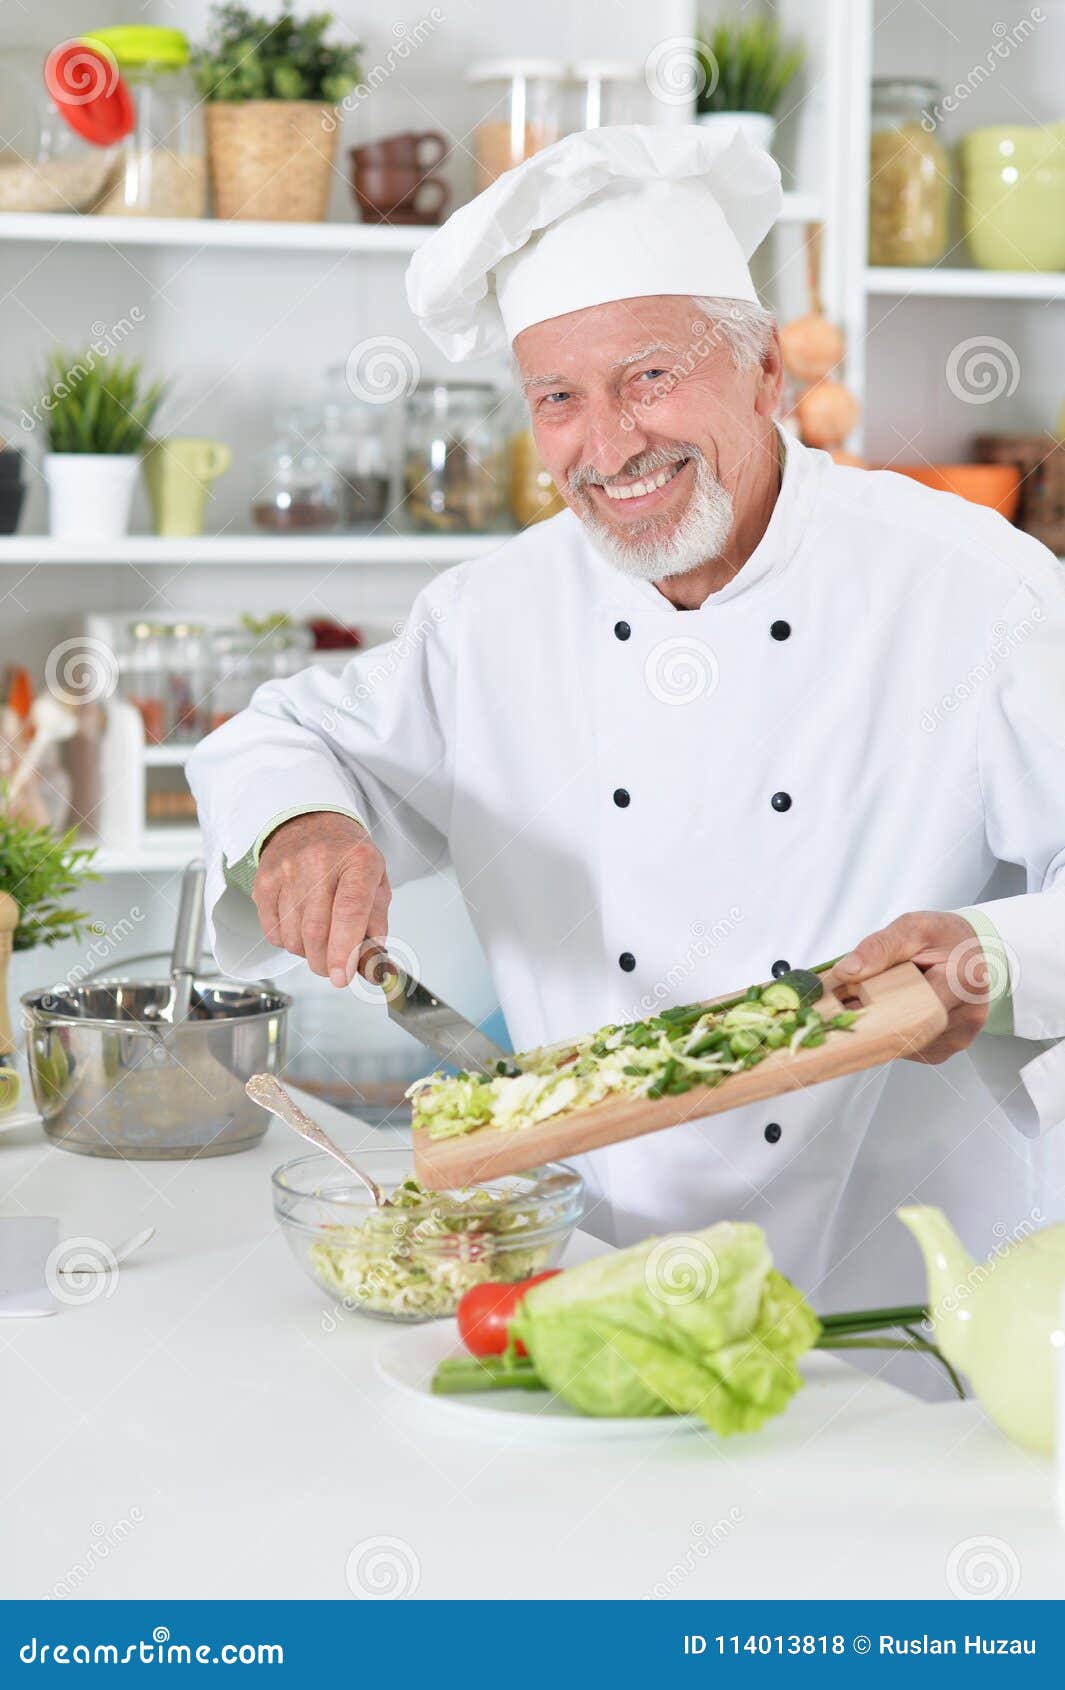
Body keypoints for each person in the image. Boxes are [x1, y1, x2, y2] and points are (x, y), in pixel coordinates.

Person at [188, 126, 1065, 1317]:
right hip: (588, 1285)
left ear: (764, 374)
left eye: (650, 377)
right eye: (559, 398)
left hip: (909, 1298)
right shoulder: (493, 613)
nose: (607, 447)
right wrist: (302, 828)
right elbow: (284, 735)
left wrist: (996, 957)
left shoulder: (975, 590)